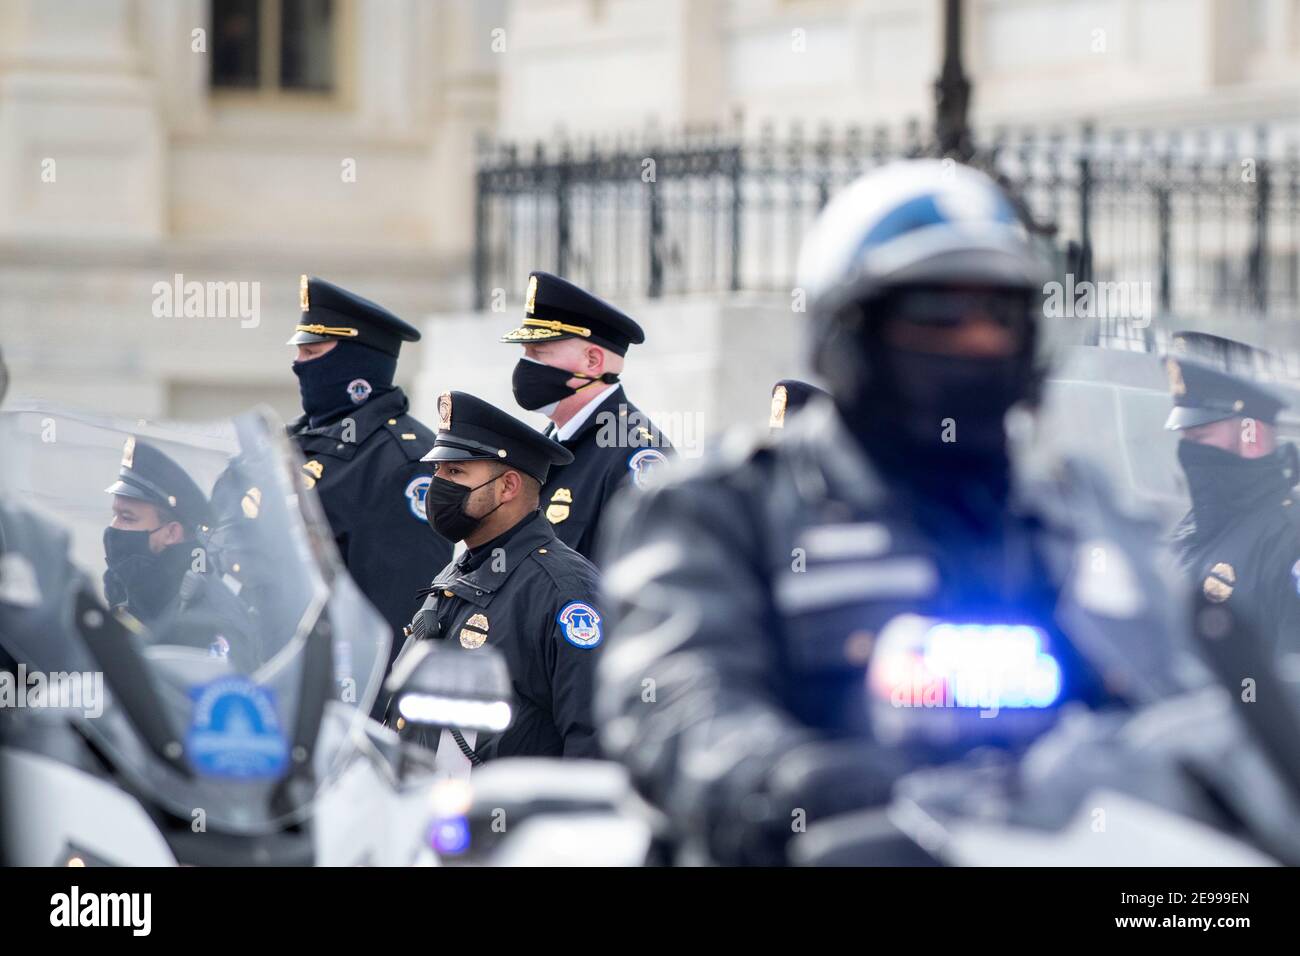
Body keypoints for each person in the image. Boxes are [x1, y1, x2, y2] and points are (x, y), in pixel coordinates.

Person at [594, 160, 1187, 865]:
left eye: (1000, 316)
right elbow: (676, 704)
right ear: (847, 332)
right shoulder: (725, 507)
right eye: (938, 315)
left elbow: (1186, 696)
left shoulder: (1077, 511)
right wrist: (787, 784)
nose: (977, 341)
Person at [394, 390, 604, 759]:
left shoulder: (564, 590)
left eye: (456, 471)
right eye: (437, 470)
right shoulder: (459, 571)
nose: (438, 484)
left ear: (508, 486)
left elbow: (592, 741)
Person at [286, 276, 452, 691]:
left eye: (313, 351)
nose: (298, 364)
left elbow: (398, 612)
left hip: (342, 695)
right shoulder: (292, 443)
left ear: (354, 365)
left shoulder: (403, 461)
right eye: (300, 350)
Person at [499, 271, 671, 561]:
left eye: (539, 353)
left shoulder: (635, 452)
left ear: (592, 361)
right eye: (525, 353)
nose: (525, 366)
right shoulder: (548, 444)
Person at [1164, 331, 1300, 658]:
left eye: (1200, 436)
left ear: (1251, 433)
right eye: (1186, 438)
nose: (1188, 451)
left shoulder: (1289, 539)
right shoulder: (1197, 524)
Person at [102, 437, 211, 626]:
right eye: (115, 515)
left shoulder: (197, 615)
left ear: (171, 533)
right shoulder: (135, 584)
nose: (114, 527)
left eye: (127, 518)